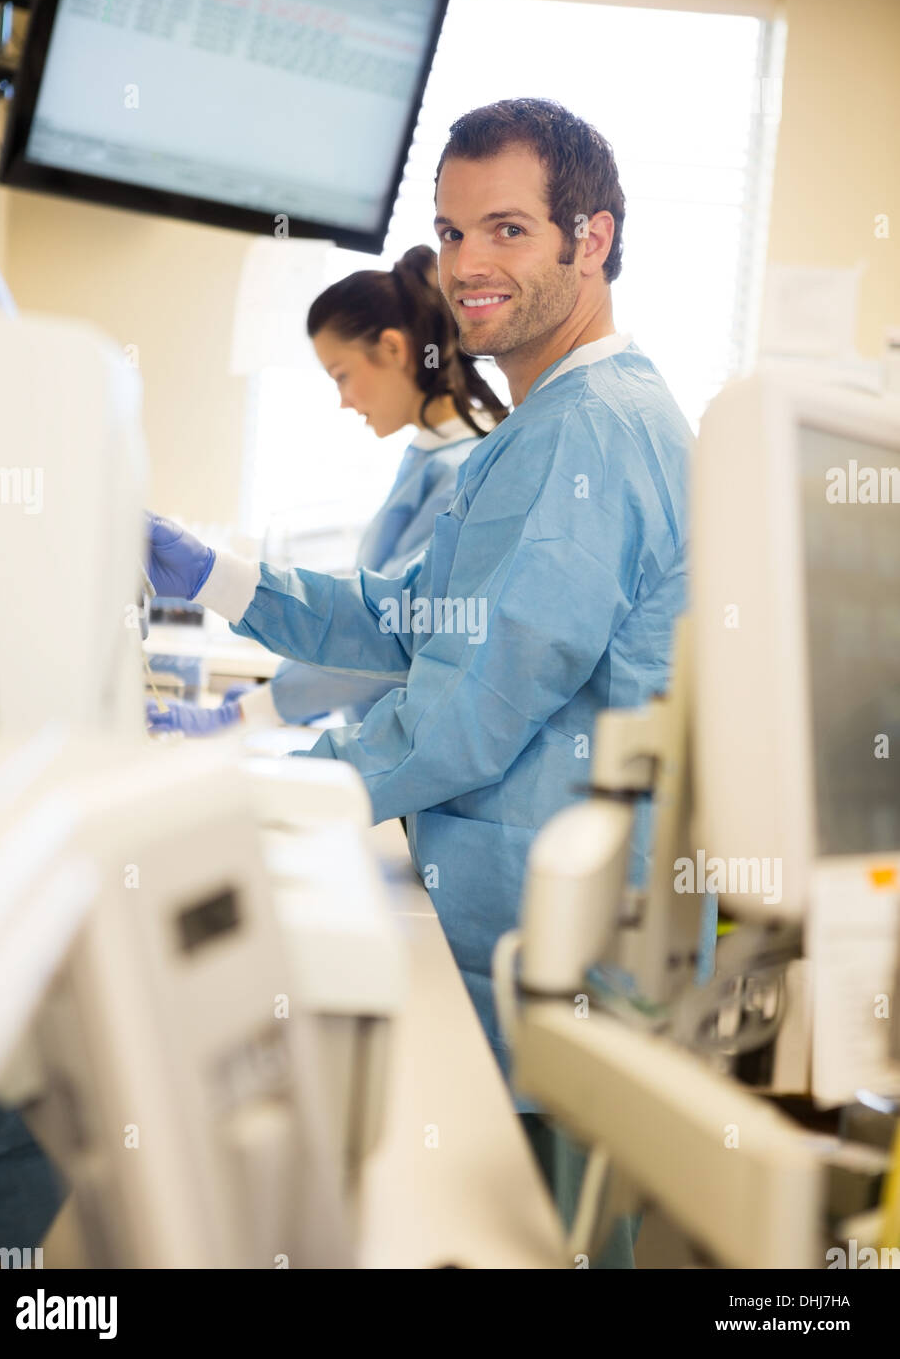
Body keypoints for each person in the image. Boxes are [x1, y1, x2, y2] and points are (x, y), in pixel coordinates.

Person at [148, 99, 693, 1265]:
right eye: (449, 234)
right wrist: (224, 576)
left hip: (549, 971)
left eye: (504, 229)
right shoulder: (551, 423)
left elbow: (465, 708)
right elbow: (415, 625)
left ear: (588, 240)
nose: (465, 266)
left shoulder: (591, 431)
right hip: (506, 938)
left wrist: (261, 790)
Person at [146, 244, 507, 736]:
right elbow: (367, 614)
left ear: (394, 349)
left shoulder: (463, 468)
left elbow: (389, 632)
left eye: (342, 376)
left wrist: (251, 712)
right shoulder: (430, 456)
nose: (343, 401)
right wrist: (284, 698)